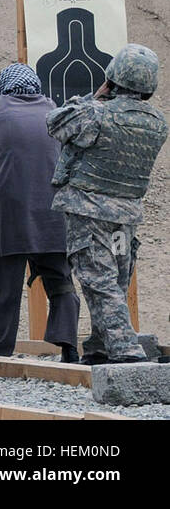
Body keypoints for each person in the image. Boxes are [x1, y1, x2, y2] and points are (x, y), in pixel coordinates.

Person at [47, 44, 167, 365]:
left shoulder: (95, 113)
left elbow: (55, 123)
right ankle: (100, 345)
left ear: (114, 77)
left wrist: (93, 97)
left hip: (88, 212)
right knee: (115, 280)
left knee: (99, 282)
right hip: (126, 216)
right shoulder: (158, 123)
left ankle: (125, 350)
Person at [0, 63, 79, 361]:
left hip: (11, 210)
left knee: (5, 287)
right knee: (60, 280)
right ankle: (69, 346)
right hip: (53, 210)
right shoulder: (51, 107)